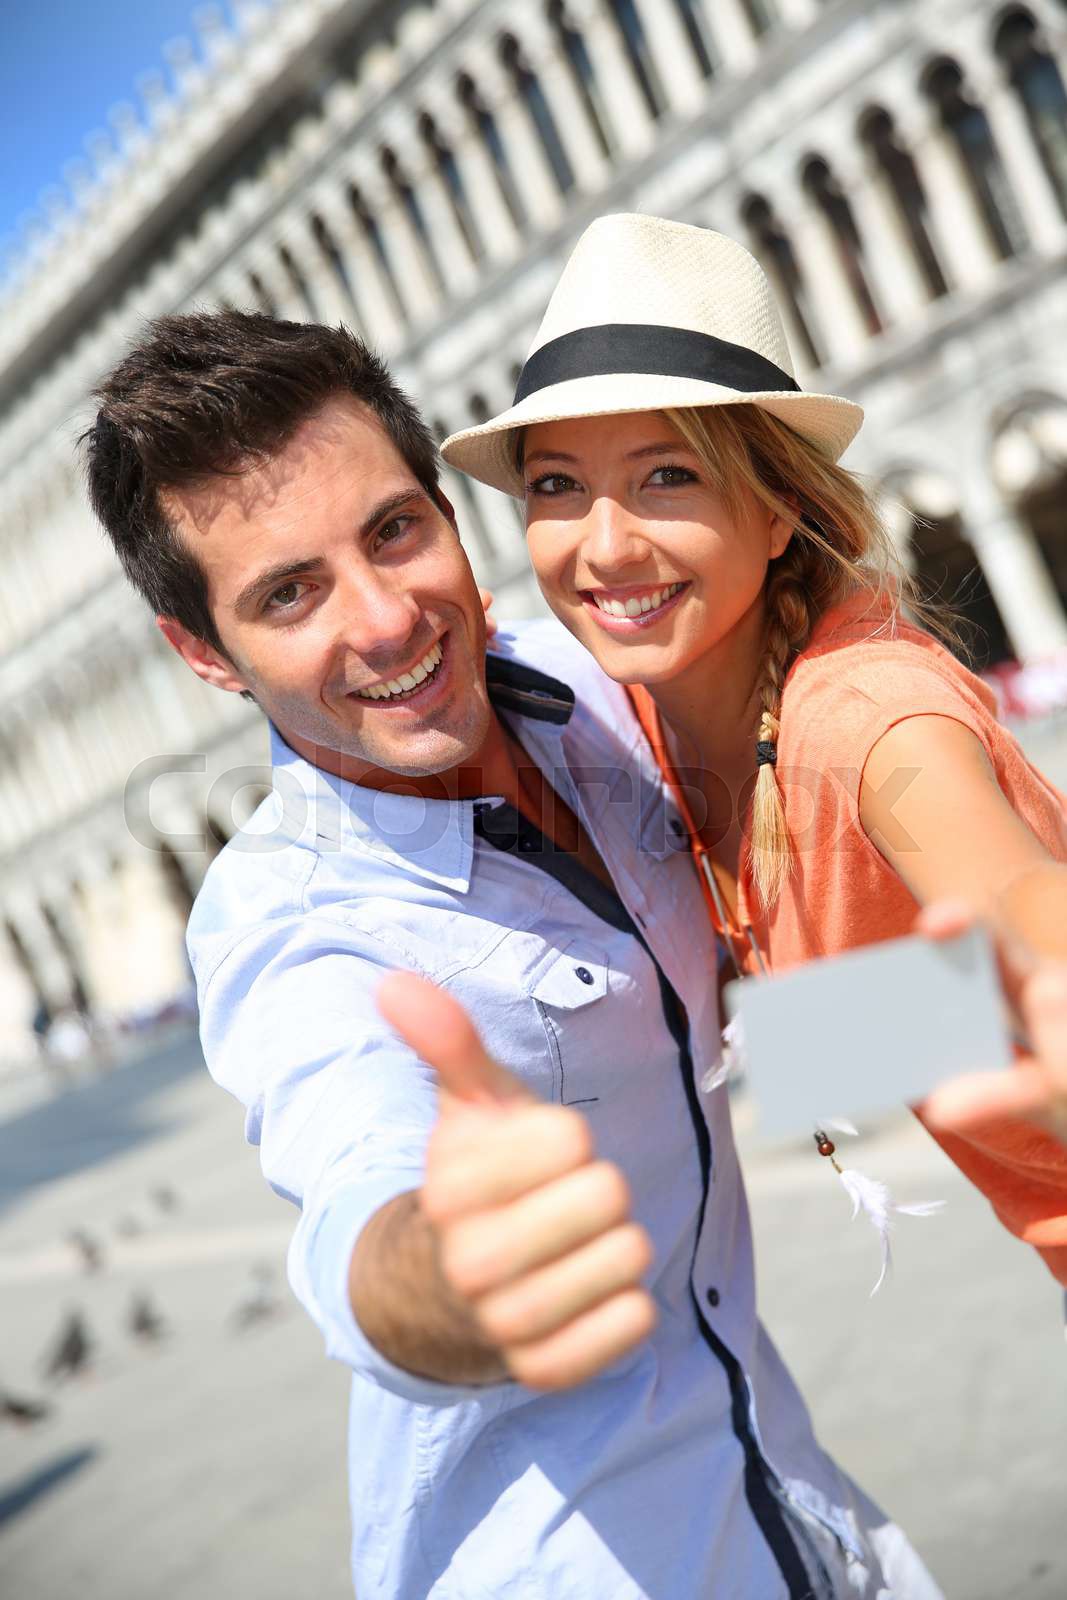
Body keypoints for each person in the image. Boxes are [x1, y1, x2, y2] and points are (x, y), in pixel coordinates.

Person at [83, 312, 943, 1598]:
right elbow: (356, 1190)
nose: (387, 619)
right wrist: (452, 1273)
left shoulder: (579, 685)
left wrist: (984, 1004)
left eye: (393, 531)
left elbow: (712, 1033)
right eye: (289, 593)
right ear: (205, 652)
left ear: (447, 508)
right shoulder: (293, 926)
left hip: (802, 1505)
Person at [441, 212, 1067, 1282]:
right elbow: (913, 1011)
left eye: (666, 476)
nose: (604, 545)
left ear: (778, 511)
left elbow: (1035, 947)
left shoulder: (874, 728)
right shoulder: (653, 703)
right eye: (555, 484)